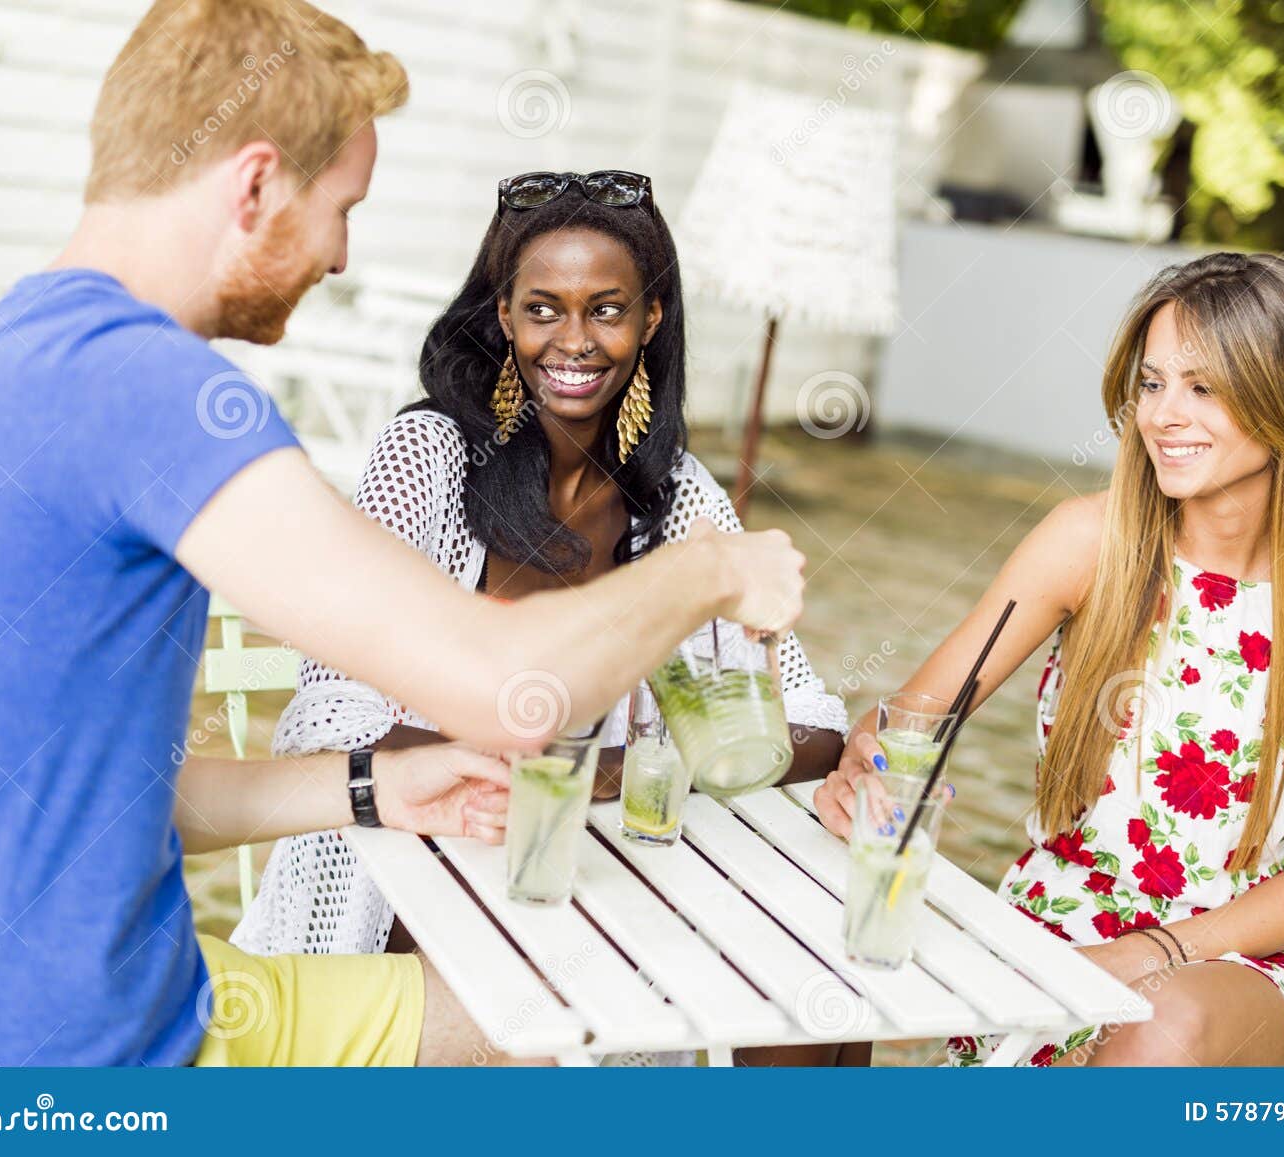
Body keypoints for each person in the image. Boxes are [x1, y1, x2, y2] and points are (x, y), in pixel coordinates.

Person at [0, 0, 804, 1067]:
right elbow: (501, 684)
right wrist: (712, 566)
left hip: (122, 994)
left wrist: (370, 782)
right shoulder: (145, 385)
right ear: (257, 183)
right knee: (593, 1022)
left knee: (557, 1005)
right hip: (64, 1066)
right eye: (342, 207)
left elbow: (111, 787)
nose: (339, 255)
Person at [232, 171, 846, 967]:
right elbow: (329, 722)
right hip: (394, 895)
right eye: (543, 308)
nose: (575, 340)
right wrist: (559, 754)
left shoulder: (678, 499)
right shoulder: (430, 457)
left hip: (586, 903)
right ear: (505, 315)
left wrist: (618, 769)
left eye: (608, 308)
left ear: (651, 318)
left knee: (804, 971)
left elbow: (812, 727)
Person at [815, 252, 1284, 1067]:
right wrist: (866, 758)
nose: (1165, 414)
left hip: (1247, 958)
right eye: (1153, 382)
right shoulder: (1089, 541)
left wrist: (1156, 952)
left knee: (1165, 1026)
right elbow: (915, 716)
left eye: (1204, 387)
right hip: (1059, 923)